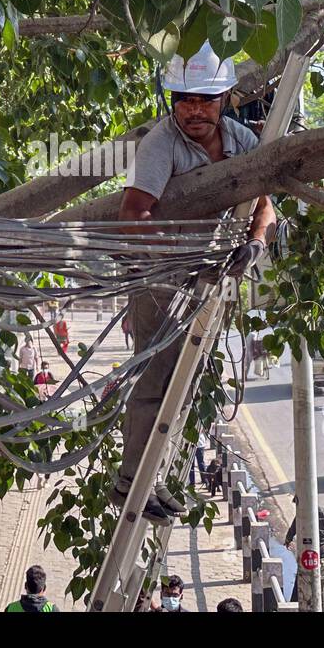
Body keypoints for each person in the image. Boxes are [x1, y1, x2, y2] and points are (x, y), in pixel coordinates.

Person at [113, 42, 276, 524]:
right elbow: (134, 217)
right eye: (185, 99)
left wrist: (256, 241)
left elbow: (263, 199)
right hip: (161, 278)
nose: (195, 110)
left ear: (224, 98)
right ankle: (129, 483)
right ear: (173, 101)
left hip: (207, 278)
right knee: (157, 380)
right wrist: (181, 257)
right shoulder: (160, 146)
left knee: (183, 385)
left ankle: (154, 477)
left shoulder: (240, 140)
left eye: (205, 100)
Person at [285, 499, 324, 610]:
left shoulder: (302, 514)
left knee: (301, 573)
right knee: (317, 569)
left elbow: (292, 531)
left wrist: (287, 540)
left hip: (308, 551)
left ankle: (293, 603)